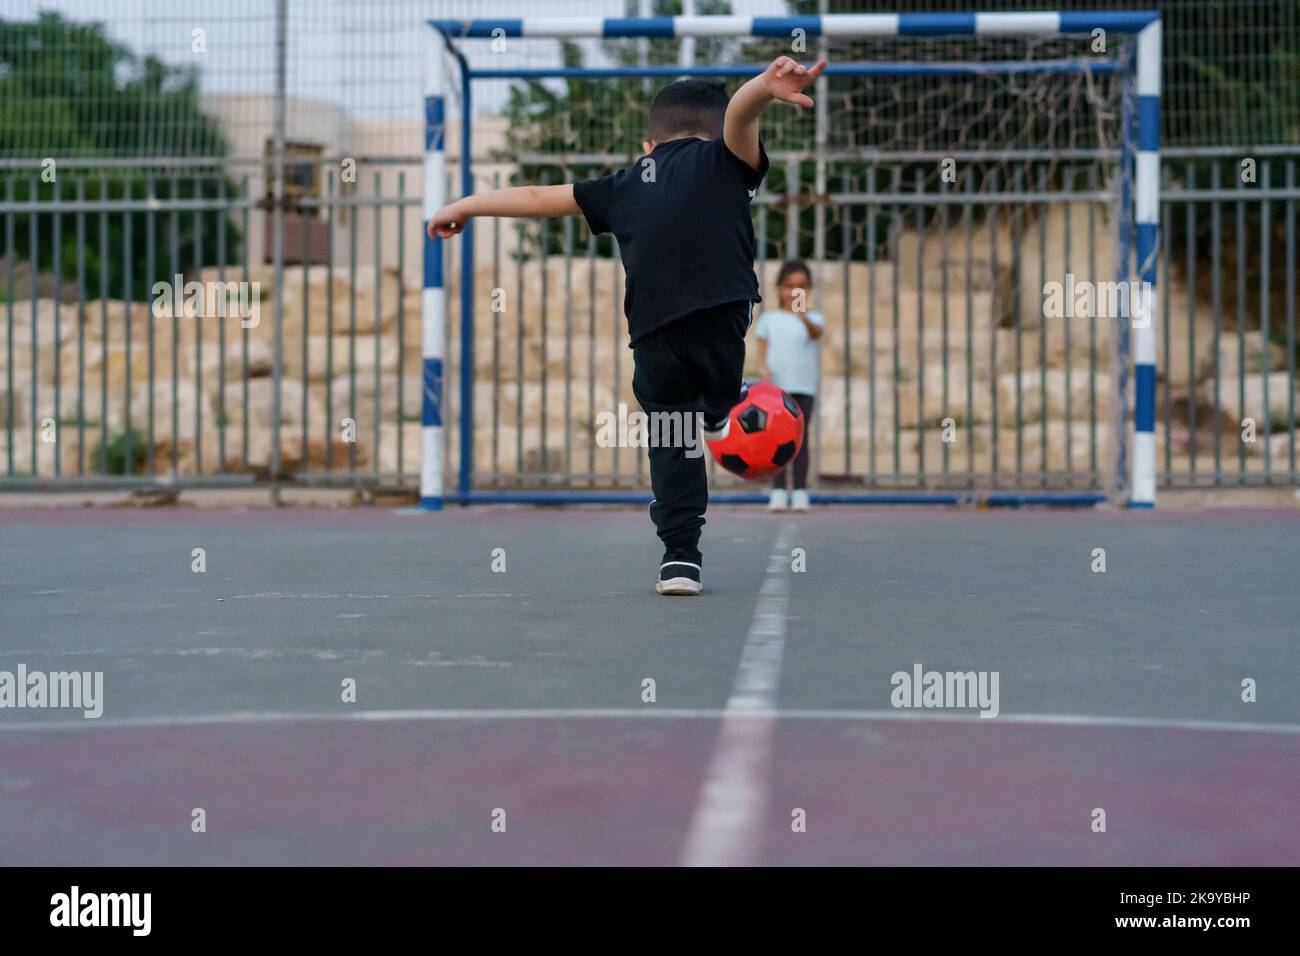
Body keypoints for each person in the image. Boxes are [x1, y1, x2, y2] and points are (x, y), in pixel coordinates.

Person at [429, 55, 827, 596]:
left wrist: (465, 205)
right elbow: (739, 117)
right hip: (721, 318)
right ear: (715, 137)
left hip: (654, 333)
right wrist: (763, 86)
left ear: (647, 148)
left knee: (670, 439)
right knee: (710, 402)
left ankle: (680, 557)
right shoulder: (728, 160)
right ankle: (719, 410)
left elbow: (539, 198)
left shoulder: (625, 183)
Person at [754, 259, 823, 511]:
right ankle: (779, 490)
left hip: (804, 389)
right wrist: (764, 373)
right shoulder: (769, 320)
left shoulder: (814, 318)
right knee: (777, 442)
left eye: (801, 287)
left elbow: (816, 334)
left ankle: (801, 490)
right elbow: (762, 355)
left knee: (801, 442)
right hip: (777, 391)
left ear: (809, 289)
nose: (795, 292)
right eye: (789, 286)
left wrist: (802, 316)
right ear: (779, 288)